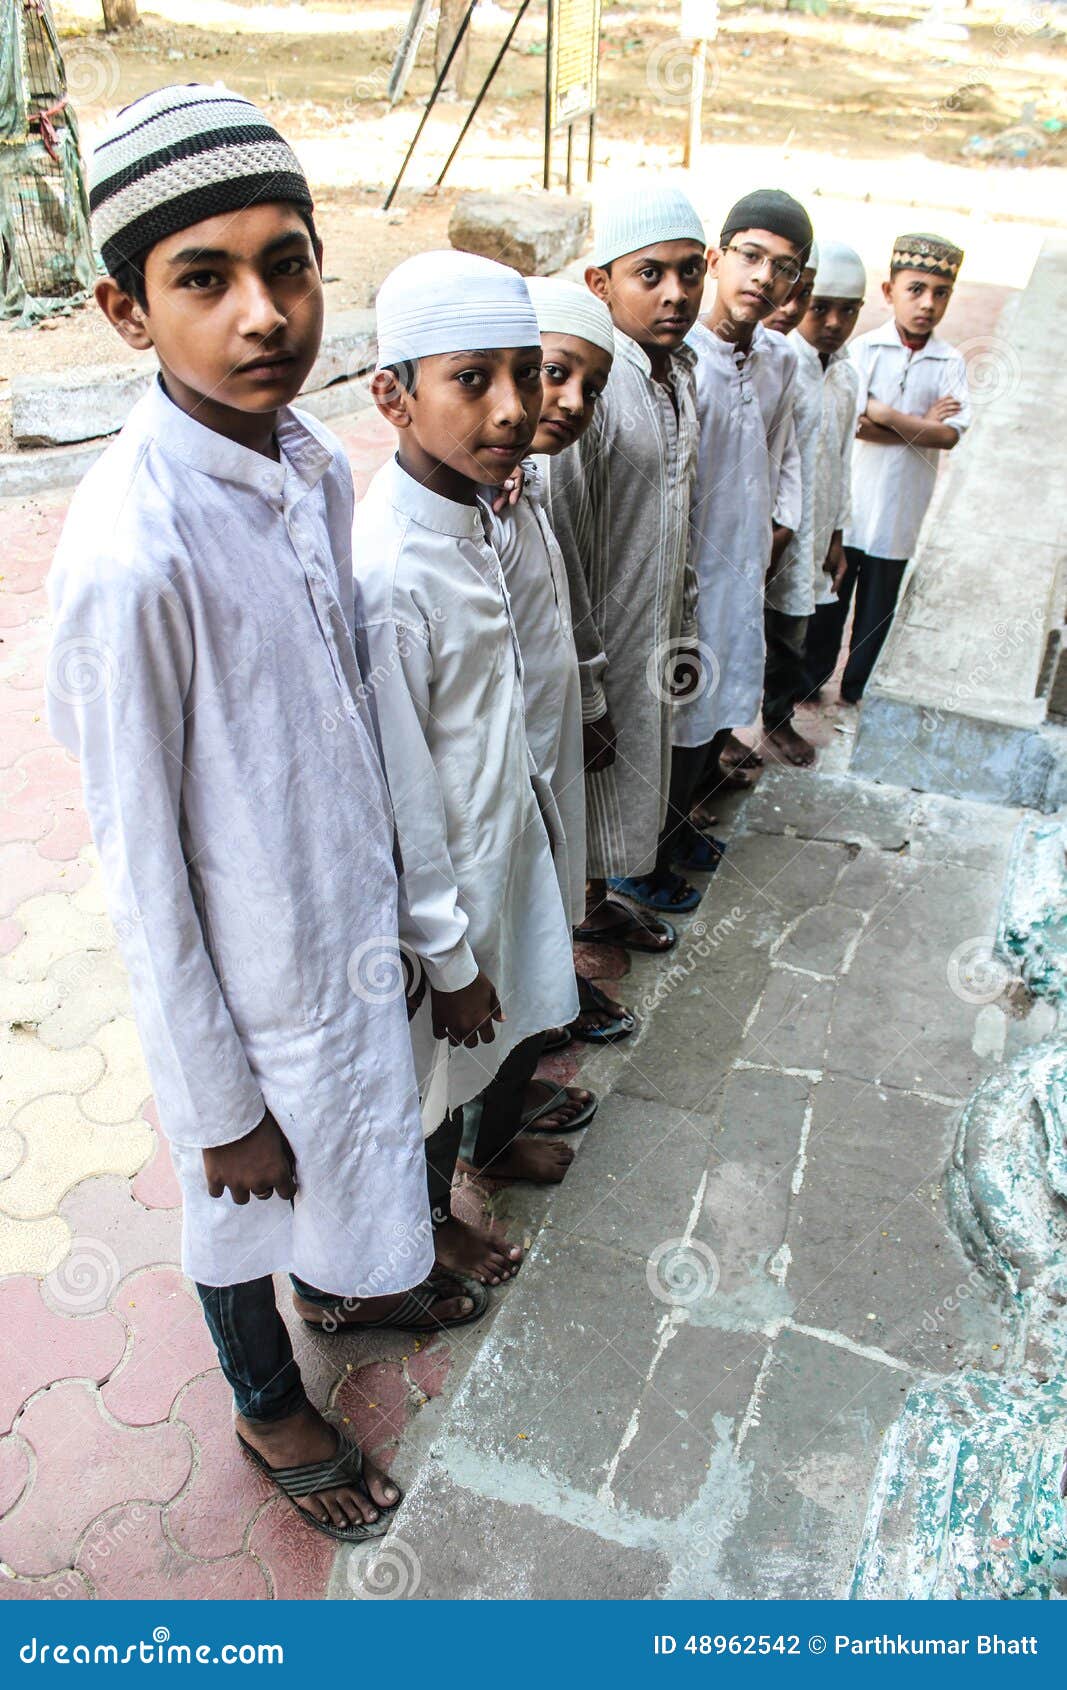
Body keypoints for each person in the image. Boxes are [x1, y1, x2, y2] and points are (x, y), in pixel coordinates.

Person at [47, 85, 482, 1548]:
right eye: (204, 278)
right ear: (124, 310)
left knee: (346, 1134)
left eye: (286, 264)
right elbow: (139, 867)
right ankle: (259, 1391)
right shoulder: (131, 554)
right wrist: (216, 1099)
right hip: (235, 980)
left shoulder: (298, 463)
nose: (261, 314)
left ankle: (350, 1273)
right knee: (240, 1191)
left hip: (330, 921)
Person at [355, 251, 580, 1282]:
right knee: (436, 1067)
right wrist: (444, 958)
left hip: (501, 836)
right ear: (391, 396)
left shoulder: (477, 514)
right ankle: (428, 1219)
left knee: (507, 1018)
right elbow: (400, 795)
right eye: (471, 379)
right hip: (439, 888)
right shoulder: (394, 570)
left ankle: (488, 1150)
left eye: (524, 374)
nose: (512, 407)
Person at [545, 183, 706, 943]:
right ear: (600, 284)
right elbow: (563, 549)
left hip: (653, 632)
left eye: (688, 273)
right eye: (650, 274)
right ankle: (572, 949)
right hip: (599, 646)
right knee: (584, 791)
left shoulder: (678, 374)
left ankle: (596, 904)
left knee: (627, 792)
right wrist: (586, 690)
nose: (674, 294)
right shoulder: (592, 392)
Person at [480, 275, 636, 1054]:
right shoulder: (474, 506)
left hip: (548, 750)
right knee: (507, 926)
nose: (571, 400)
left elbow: (565, 602)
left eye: (592, 387)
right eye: (555, 371)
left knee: (545, 904)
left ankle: (532, 1056)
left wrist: (588, 704)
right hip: (498, 777)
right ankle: (489, 1140)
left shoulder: (529, 485)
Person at [674, 189, 810, 844]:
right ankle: (652, 844)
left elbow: (781, 450)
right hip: (685, 569)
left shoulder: (780, 361)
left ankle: (691, 806)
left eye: (782, 267)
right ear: (714, 259)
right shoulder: (679, 361)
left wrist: (778, 528)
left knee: (727, 685)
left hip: (744, 558)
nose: (762, 277)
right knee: (677, 702)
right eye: (749, 256)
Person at [805, 232, 970, 702]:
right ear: (888, 291)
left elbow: (950, 435)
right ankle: (810, 681)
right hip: (855, 503)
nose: (927, 304)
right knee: (831, 600)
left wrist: (885, 415)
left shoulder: (950, 360)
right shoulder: (864, 351)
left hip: (901, 511)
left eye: (940, 293)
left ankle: (855, 688)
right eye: (915, 289)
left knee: (877, 609)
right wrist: (920, 427)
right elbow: (853, 423)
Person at [793, 242, 866, 701]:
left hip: (820, 528)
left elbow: (842, 460)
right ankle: (739, 732)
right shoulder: (782, 364)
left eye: (849, 311)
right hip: (779, 531)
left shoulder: (846, 376)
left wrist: (837, 535)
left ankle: (779, 714)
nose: (835, 323)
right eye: (821, 308)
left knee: (798, 628)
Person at [761, 244, 822, 767]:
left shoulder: (800, 363)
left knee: (785, 635)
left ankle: (776, 719)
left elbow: (800, 456)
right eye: (787, 290)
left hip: (789, 527)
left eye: (803, 293)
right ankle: (722, 743)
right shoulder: (745, 355)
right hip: (743, 532)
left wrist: (788, 526)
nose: (789, 305)